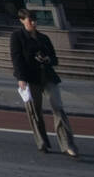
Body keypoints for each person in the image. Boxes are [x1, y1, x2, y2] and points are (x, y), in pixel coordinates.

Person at [11, 9, 78, 157]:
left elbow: (54, 58)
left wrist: (48, 59)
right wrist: (21, 78)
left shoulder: (44, 38)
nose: (33, 23)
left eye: (35, 20)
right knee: (35, 112)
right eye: (30, 20)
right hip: (30, 77)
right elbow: (17, 58)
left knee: (58, 108)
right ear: (22, 20)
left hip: (47, 76)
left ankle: (68, 144)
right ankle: (42, 142)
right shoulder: (17, 37)